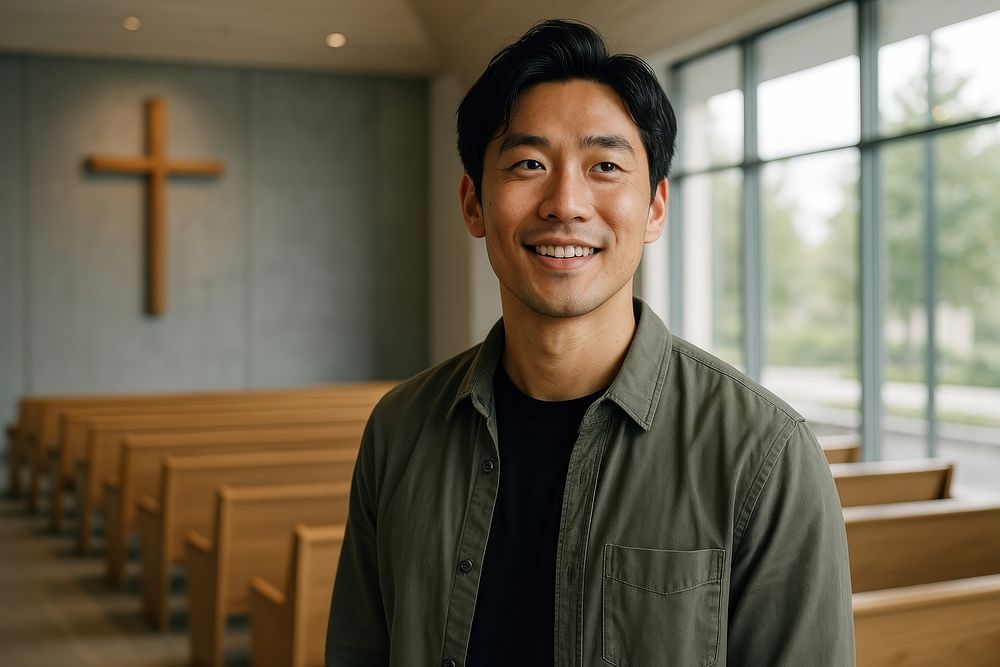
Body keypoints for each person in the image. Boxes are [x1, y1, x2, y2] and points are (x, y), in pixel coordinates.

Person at [327, 19, 854, 667]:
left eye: (605, 166)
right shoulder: (400, 428)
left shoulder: (764, 454)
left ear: (655, 207)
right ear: (473, 203)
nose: (566, 203)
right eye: (529, 164)